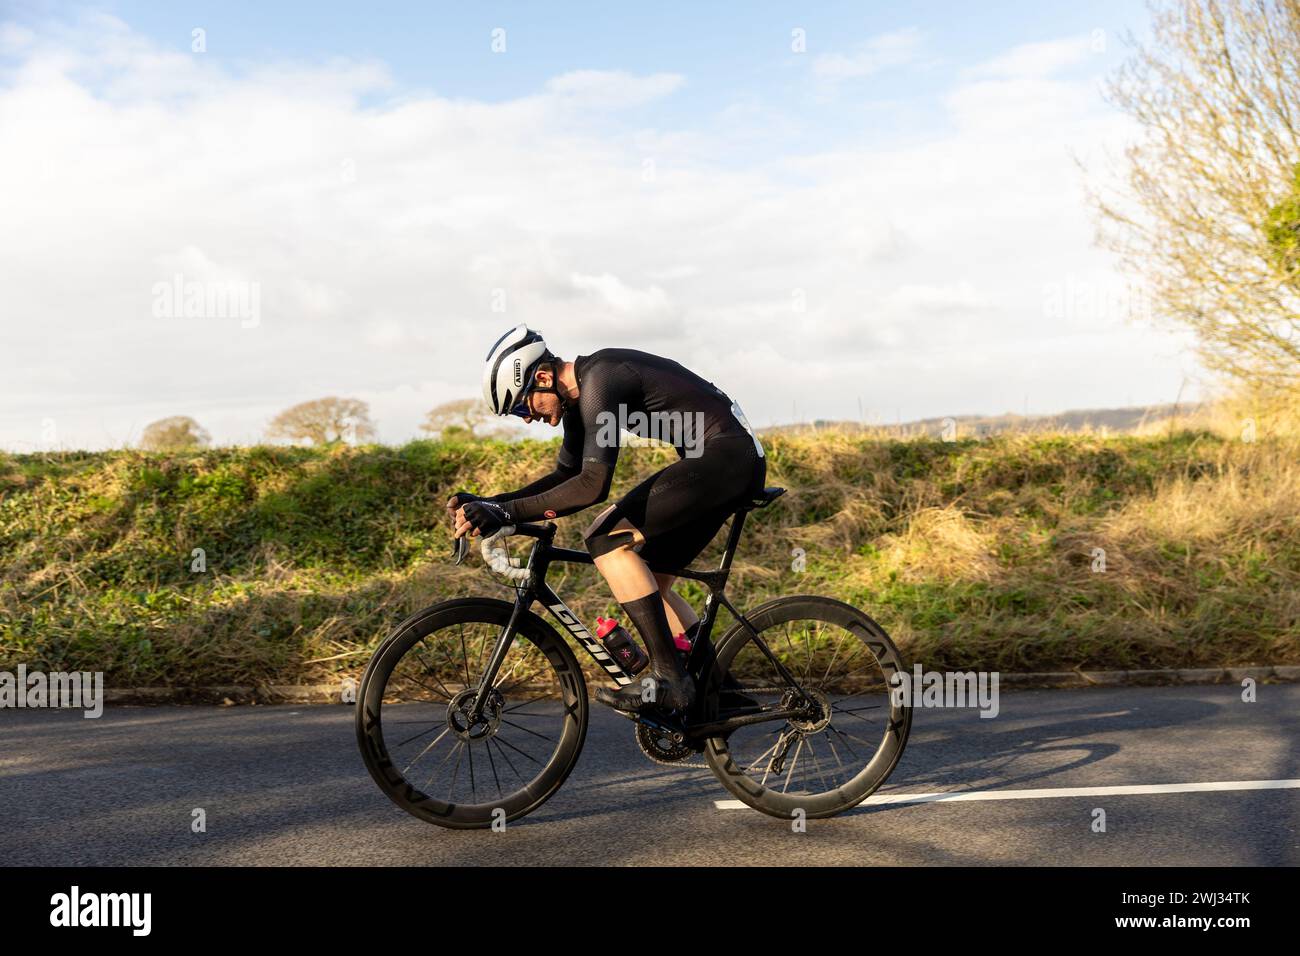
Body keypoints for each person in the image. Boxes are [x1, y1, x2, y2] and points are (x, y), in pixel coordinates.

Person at [448, 324, 766, 714]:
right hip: (728, 462)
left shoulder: (602, 379)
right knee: (651, 574)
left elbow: (592, 485)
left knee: (606, 539)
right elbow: (565, 475)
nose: (527, 418)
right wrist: (492, 502)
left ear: (544, 377)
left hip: (725, 459)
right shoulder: (583, 398)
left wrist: (503, 512)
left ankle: (669, 680)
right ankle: (722, 693)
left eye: (522, 405)